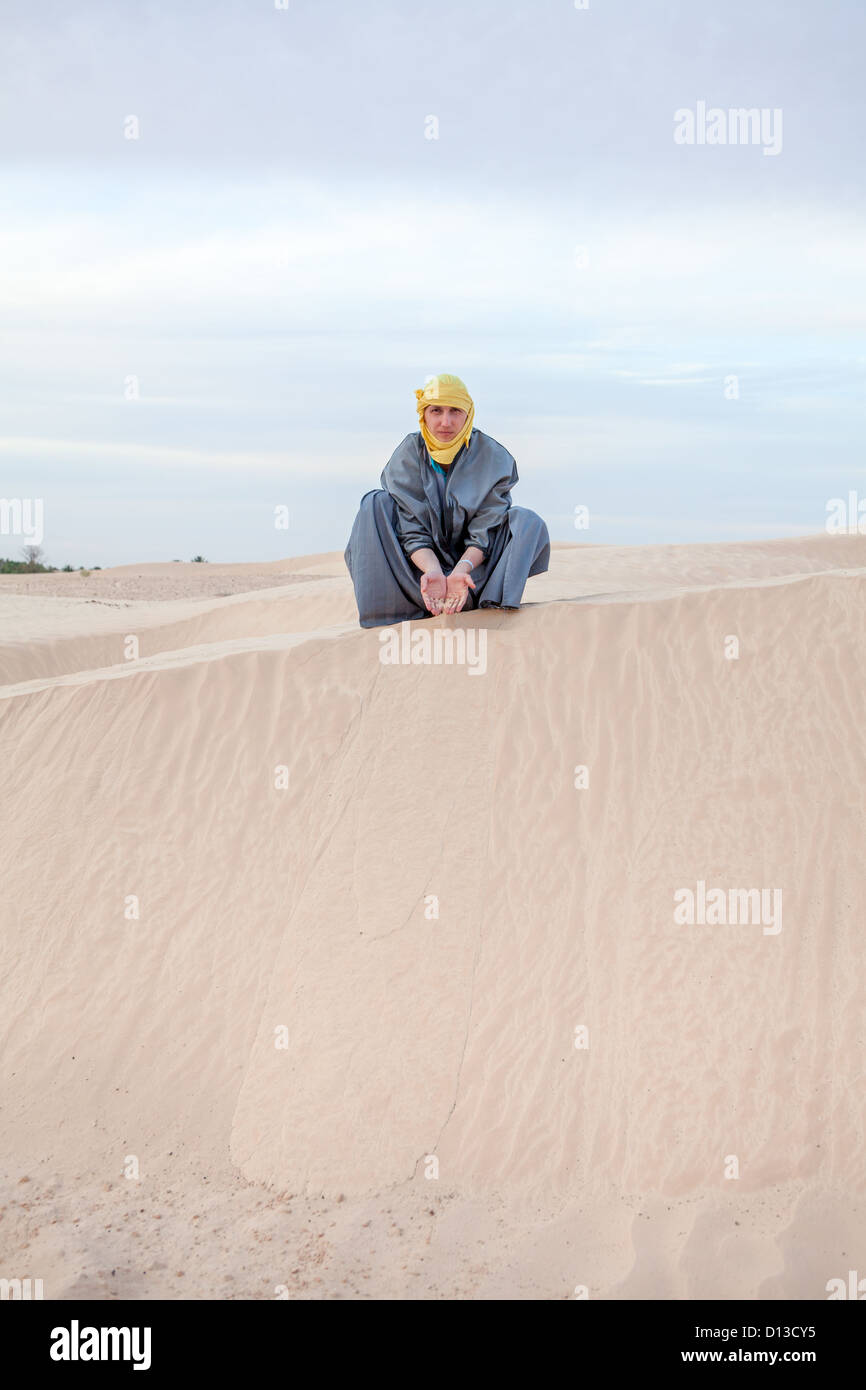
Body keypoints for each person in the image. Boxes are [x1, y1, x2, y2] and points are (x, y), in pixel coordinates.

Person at [344, 373, 550, 629]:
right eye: (436, 411)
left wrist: (461, 570)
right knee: (374, 504)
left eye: (455, 411)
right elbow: (412, 531)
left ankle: (488, 608)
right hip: (421, 576)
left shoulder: (493, 457)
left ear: (468, 414)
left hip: (474, 574)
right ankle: (396, 610)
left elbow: (485, 531)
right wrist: (433, 572)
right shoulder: (408, 454)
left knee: (527, 521)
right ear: (424, 415)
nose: (445, 421)